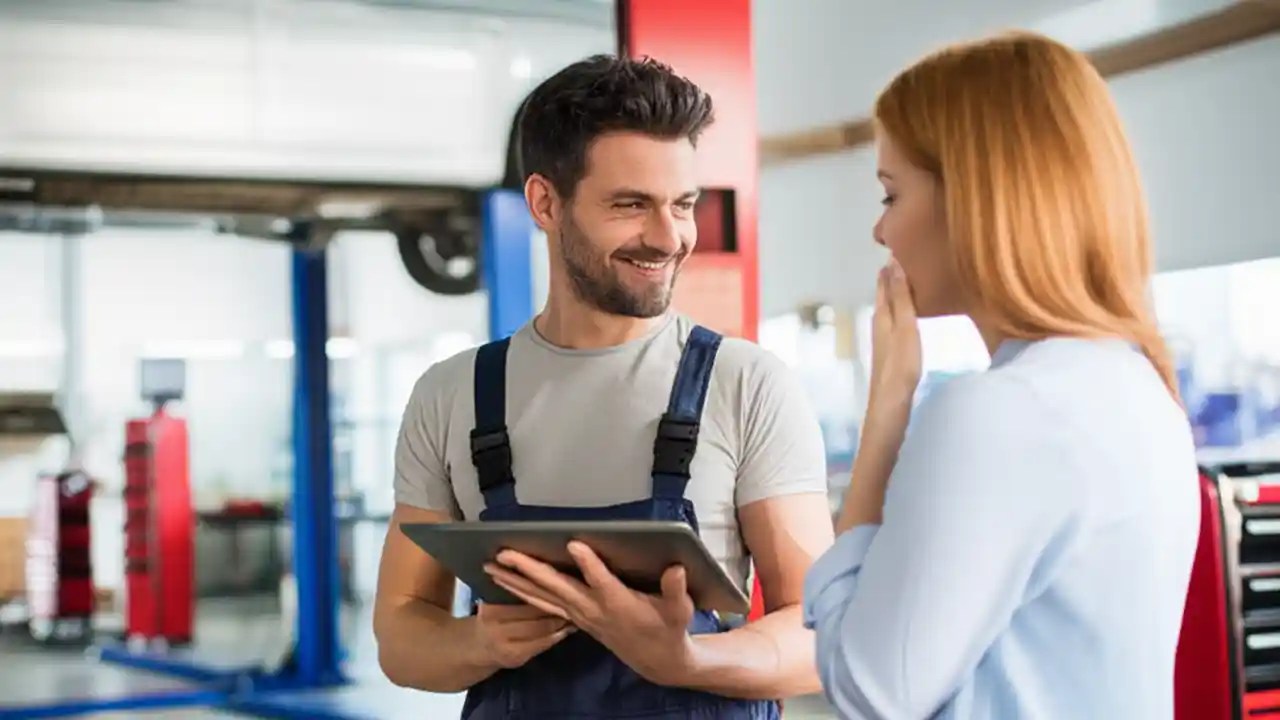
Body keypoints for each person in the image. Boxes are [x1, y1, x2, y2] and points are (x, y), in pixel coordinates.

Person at [373, 54, 835, 719]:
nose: (669, 236)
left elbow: (816, 633)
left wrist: (686, 659)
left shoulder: (746, 385)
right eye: (630, 206)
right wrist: (481, 641)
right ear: (544, 203)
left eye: (682, 205)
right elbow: (401, 639)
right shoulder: (453, 395)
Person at [802, 31, 1200, 719]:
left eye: (891, 196)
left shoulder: (1002, 411)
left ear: (974, 199)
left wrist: (887, 409)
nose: (880, 232)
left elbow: (870, 687)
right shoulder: (1133, 384)